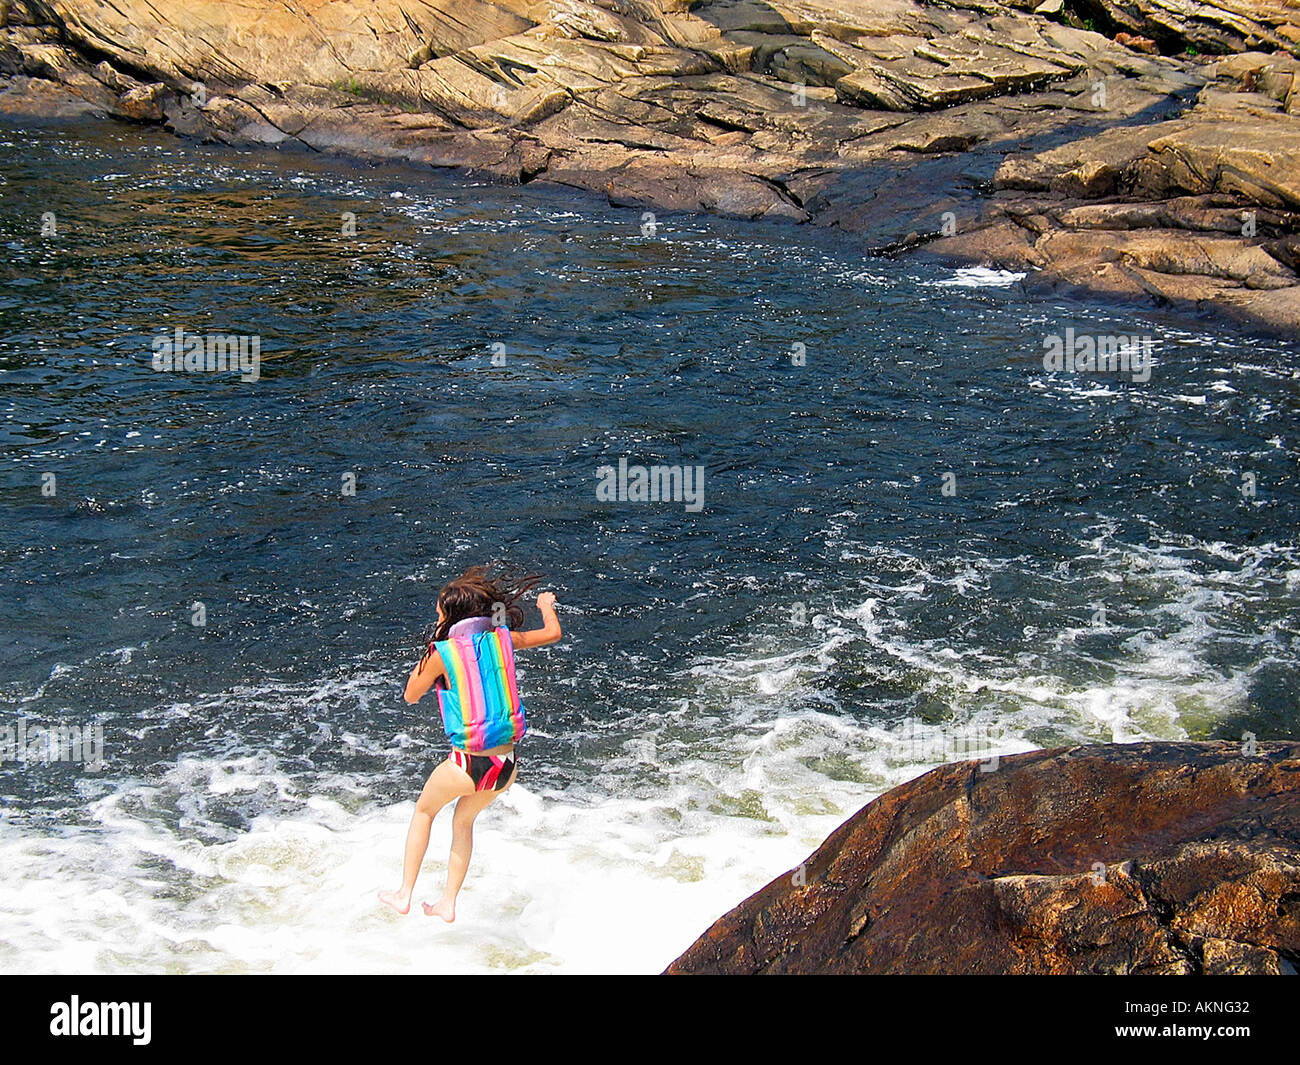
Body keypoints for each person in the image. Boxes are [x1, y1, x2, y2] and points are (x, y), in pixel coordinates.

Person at [378, 565, 561, 921]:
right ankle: (447, 904)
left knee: (424, 812)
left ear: (452, 616)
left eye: (440, 610)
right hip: (506, 767)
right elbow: (552, 633)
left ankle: (404, 894)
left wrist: (435, 654)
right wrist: (545, 603)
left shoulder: (442, 653)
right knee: (462, 823)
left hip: (467, 764)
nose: (436, 613)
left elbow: (410, 695)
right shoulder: (502, 639)